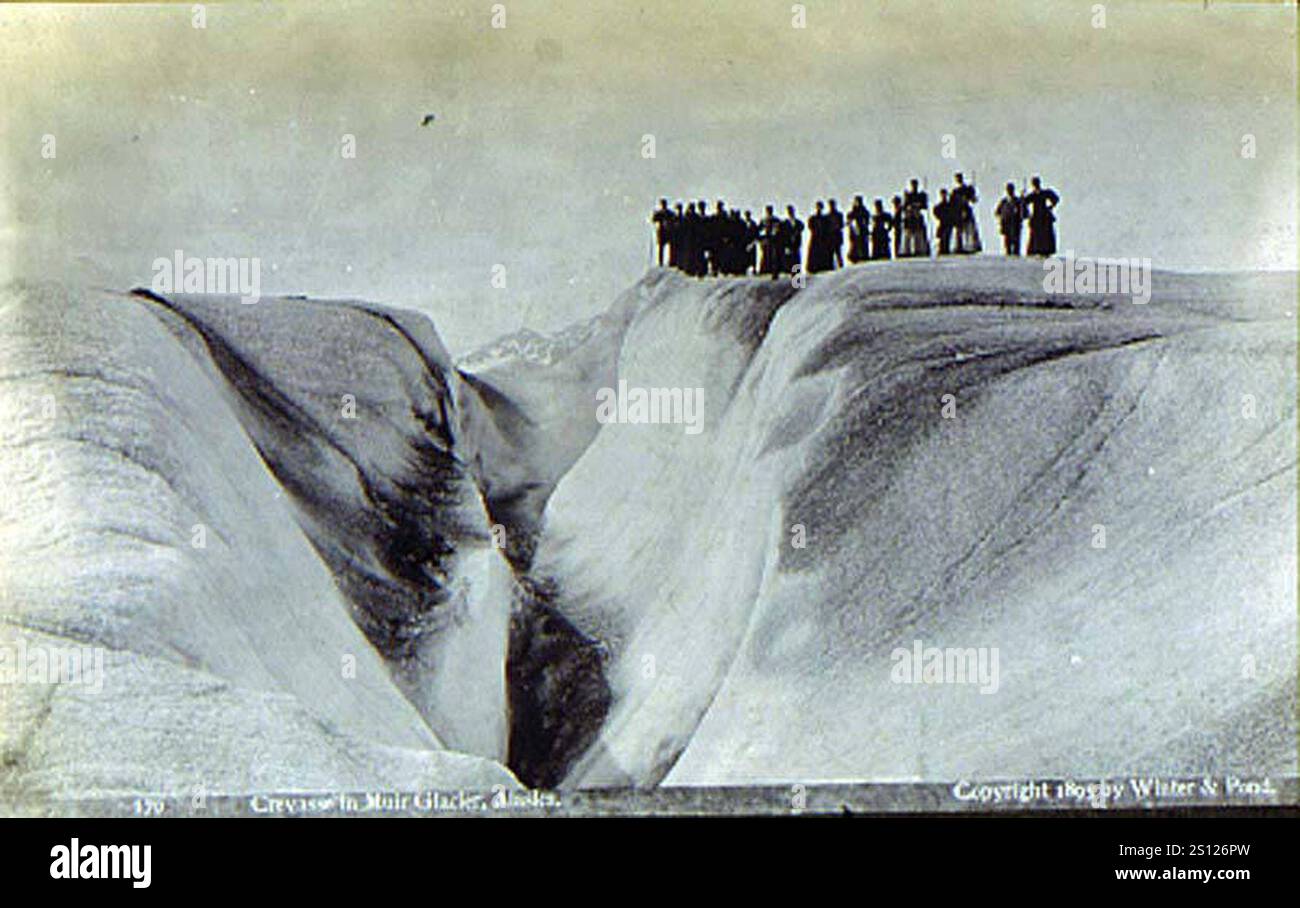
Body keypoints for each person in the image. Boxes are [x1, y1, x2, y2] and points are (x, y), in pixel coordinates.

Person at [1023, 176, 1060, 256]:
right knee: (1036, 235)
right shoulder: (1033, 195)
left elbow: (1056, 199)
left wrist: (1050, 207)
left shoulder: (1044, 193)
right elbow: (1024, 203)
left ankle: (1044, 250)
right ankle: (1037, 250)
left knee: (1045, 234)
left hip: (1044, 217)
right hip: (1037, 217)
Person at [952, 173, 981, 254]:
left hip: (966, 210)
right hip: (959, 211)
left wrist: (973, 195)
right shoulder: (955, 191)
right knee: (959, 230)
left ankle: (970, 246)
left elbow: (973, 200)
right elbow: (952, 203)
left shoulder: (967, 189)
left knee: (969, 229)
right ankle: (959, 246)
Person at [901, 179, 931, 258]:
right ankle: (906, 251)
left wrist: (919, 205)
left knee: (919, 234)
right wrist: (910, 208)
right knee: (908, 235)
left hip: (917, 217)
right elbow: (904, 206)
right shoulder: (908, 195)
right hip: (910, 217)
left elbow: (925, 206)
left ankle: (920, 250)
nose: (914, 187)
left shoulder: (920, 195)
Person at [994, 182, 1025, 256]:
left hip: (1015, 224)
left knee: (1016, 244)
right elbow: (997, 212)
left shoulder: (1018, 201)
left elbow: (1024, 213)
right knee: (1007, 244)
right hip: (1006, 224)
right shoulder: (1004, 201)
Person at [846, 195, 870, 263]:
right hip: (855, 233)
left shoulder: (864, 211)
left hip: (862, 232)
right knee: (855, 246)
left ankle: (863, 257)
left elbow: (867, 221)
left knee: (862, 246)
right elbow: (849, 221)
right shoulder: (853, 212)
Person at [651, 199, 675, 266]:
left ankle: (664, 262)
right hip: (665, 232)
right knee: (663, 248)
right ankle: (664, 261)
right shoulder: (669, 213)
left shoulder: (662, 213)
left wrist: (655, 215)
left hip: (664, 232)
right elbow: (654, 220)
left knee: (663, 248)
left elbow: (653, 220)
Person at [760, 205, 782, 277]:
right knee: (766, 254)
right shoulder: (764, 220)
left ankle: (773, 270)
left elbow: (778, 229)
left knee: (773, 255)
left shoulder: (775, 220)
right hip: (766, 239)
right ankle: (766, 270)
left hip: (773, 239)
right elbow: (760, 229)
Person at [933, 188, 956, 255]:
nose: (944, 196)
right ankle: (941, 249)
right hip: (942, 223)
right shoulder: (939, 206)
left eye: (945, 195)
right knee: (941, 236)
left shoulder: (950, 205)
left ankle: (946, 249)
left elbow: (953, 213)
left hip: (948, 223)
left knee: (947, 236)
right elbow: (936, 213)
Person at [783, 204, 805, 276]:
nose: (790, 213)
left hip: (796, 245)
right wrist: (786, 245)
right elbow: (783, 235)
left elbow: (801, 228)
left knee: (797, 261)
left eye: (791, 211)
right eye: (789, 211)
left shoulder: (798, 222)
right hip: (788, 245)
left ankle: (797, 278)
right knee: (789, 262)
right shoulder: (785, 223)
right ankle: (790, 277)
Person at [826, 199, 845, 269]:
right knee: (831, 254)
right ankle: (831, 266)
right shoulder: (827, 216)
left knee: (838, 253)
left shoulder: (839, 215)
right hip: (831, 238)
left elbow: (842, 225)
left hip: (837, 237)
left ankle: (840, 266)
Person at [668, 201, 685, 269]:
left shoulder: (681, 217)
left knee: (679, 250)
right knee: (676, 250)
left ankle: (678, 262)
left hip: (679, 236)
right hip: (676, 236)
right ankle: (675, 261)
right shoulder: (676, 217)